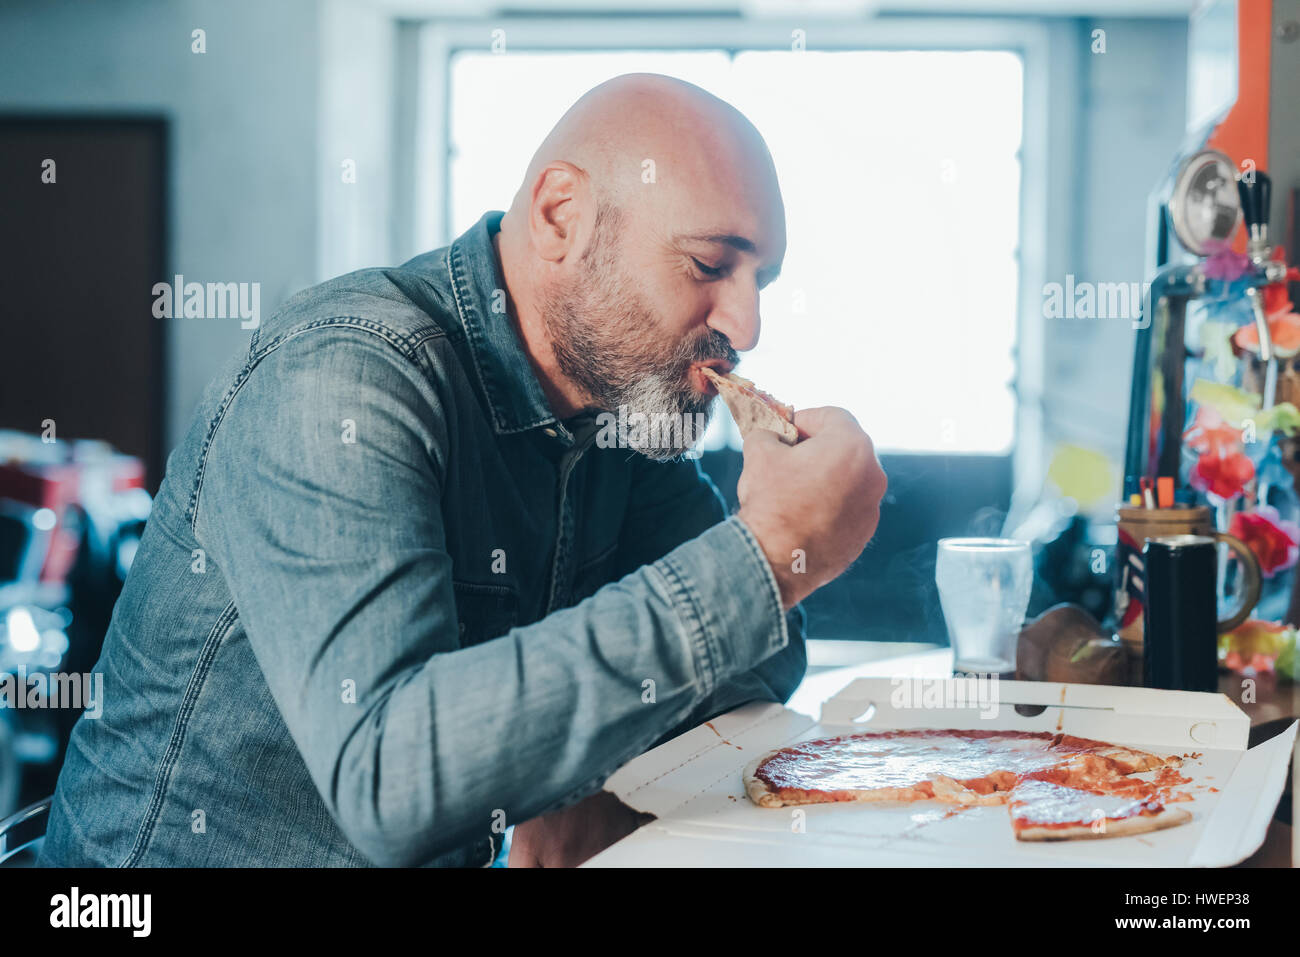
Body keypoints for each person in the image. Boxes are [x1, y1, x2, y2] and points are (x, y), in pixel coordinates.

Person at [40, 73, 885, 868]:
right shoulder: (343, 376)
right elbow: (388, 777)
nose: (748, 322)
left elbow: (752, 667)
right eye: (709, 265)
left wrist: (577, 770)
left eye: (761, 280)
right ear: (561, 216)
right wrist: (772, 548)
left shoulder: (617, 406)